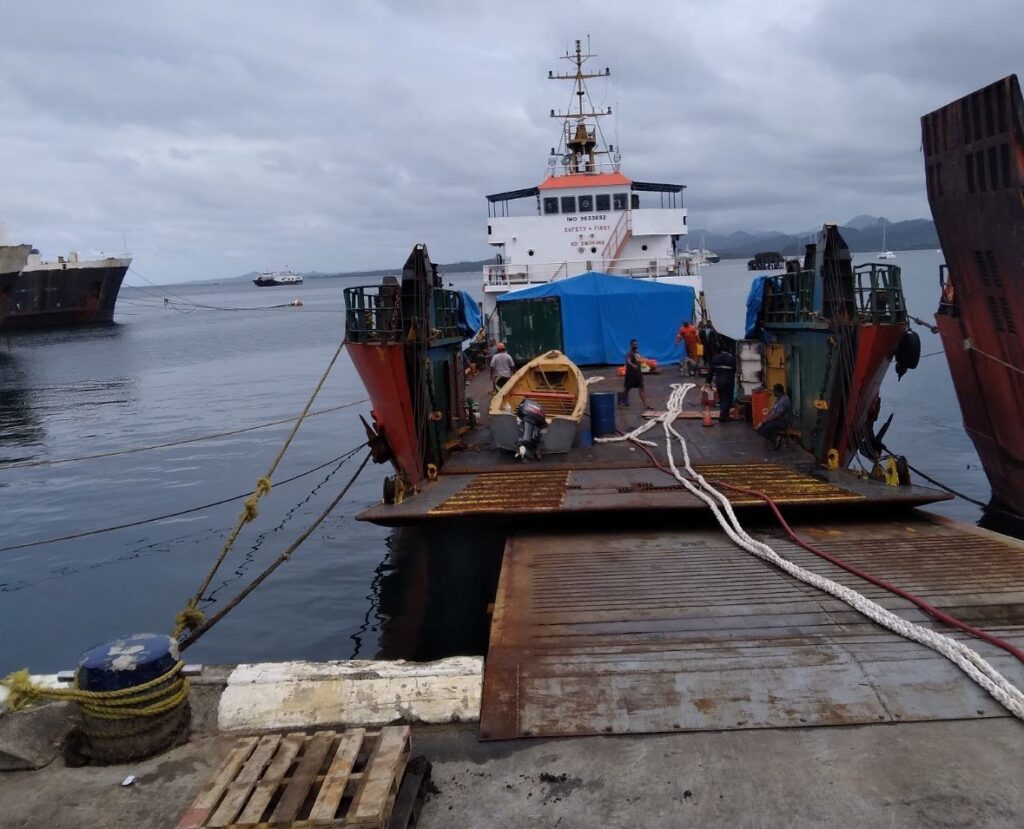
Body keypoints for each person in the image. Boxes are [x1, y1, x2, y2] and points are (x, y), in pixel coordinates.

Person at [618, 338, 651, 410]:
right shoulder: (629, 353)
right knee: (627, 389)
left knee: (641, 388)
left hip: (638, 374)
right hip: (631, 374)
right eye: (634, 344)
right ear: (631, 345)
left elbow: (639, 360)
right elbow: (628, 360)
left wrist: (644, 361)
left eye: (637, 344)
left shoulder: (637, 353)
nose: (636, 345)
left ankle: (646, 405)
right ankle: (621, 403)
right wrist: (633, 365)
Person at [757, 383, 792, 448]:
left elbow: (777, 415)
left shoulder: (784, 400)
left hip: (782, 422)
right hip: (777, 420)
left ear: (777, 391)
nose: (773, 393)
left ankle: (776, 439)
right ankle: (775, 439)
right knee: (760, 428)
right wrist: (764, 420)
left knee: (763, 430)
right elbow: (773, 412)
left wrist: (765, 421)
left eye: (774, 391)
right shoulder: (778, 399)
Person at [710, 347, 737, 422]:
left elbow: (711, 370)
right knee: (728, 399)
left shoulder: (716, 358)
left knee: (722, 398)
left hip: (718, 381)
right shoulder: (732, 359)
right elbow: (737, 369)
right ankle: (723, 417)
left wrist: (708, 381)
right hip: (728, 381)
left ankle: (724, 414)